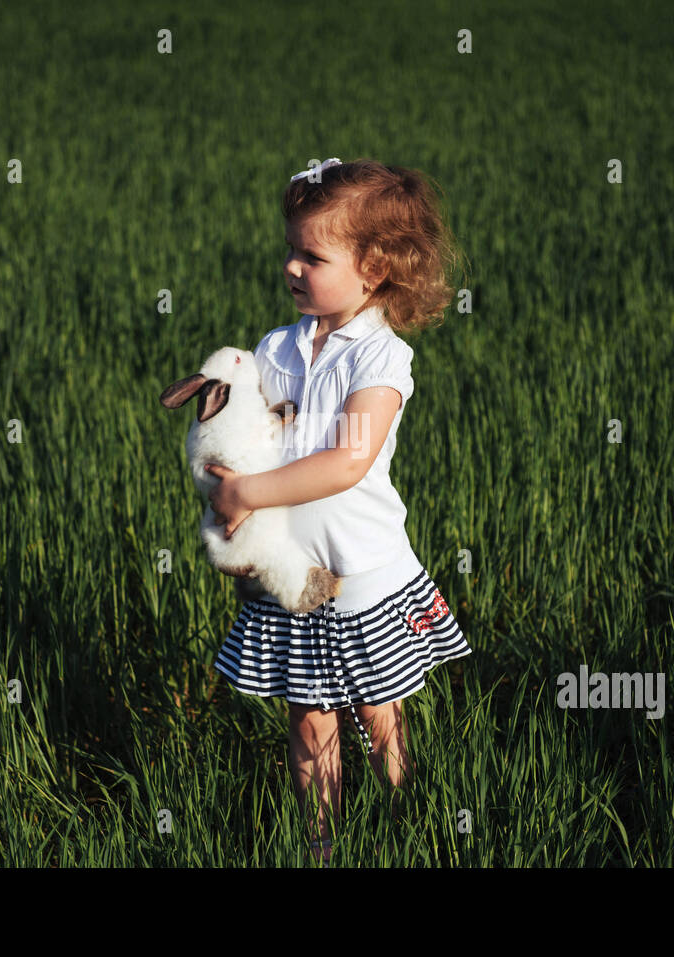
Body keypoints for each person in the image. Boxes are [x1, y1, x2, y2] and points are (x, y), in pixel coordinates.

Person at [204, 158, 471, 865]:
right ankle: (319, 843)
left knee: (380, 711)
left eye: (312, 255)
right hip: (295, 576)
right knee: (310, 718)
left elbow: (348, 460)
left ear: (374, 267)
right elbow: (249, 434)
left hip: (364, 575)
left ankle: (405, 819)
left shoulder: (380, 359)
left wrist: (249, 495)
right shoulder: (277, 348)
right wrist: (231, 491)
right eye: (289, 249)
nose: (292, 267)